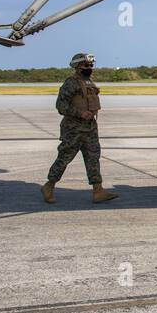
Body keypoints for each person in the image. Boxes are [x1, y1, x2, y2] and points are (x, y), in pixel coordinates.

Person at [42, 52, 117, 204]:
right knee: (64, 158)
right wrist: (80, 113)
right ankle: (49, 186)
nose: (89, 68)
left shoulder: (90, 83)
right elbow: (61, 105)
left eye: (91, 65)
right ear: (77, 66)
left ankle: (98, 190)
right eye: (86, 65)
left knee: (93, 158)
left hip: (90, 128)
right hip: (73, 129)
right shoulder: (71, 82)